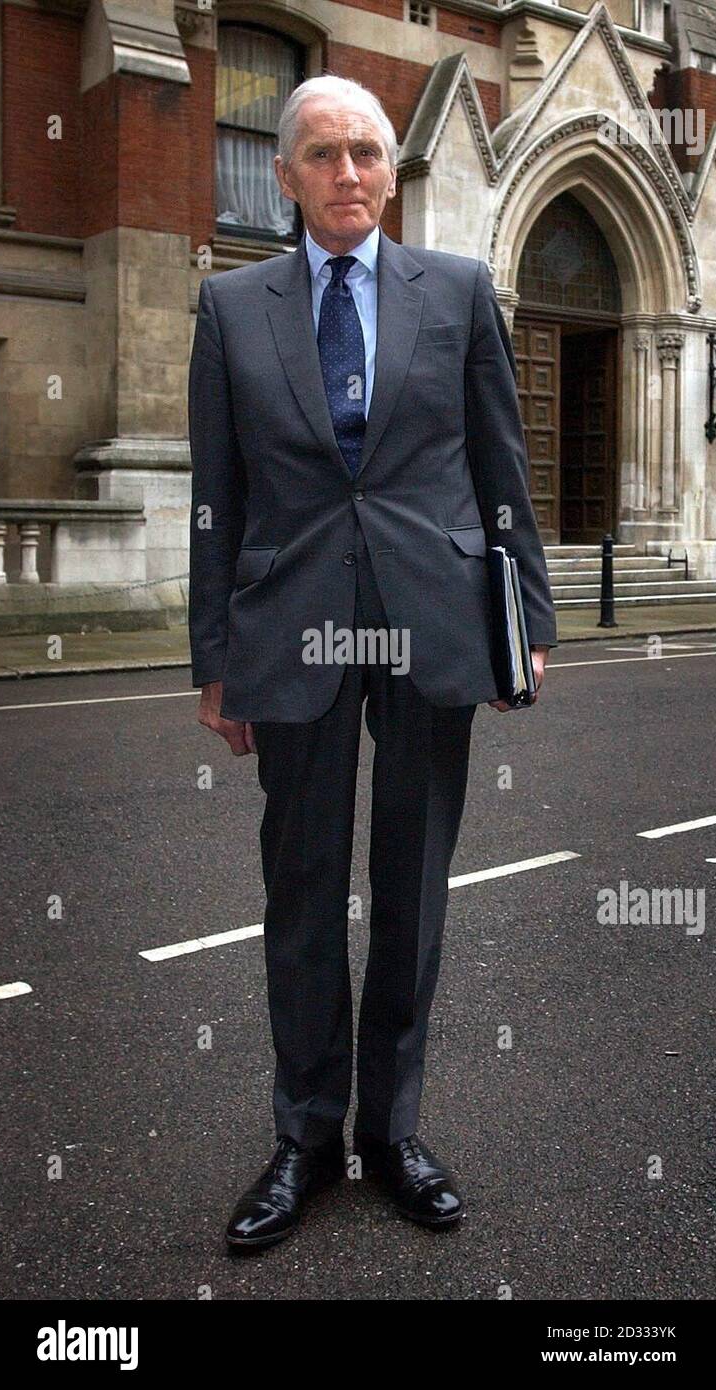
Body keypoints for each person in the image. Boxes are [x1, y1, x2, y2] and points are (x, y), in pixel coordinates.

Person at [187, 75, 557, 1252]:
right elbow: (218, 498)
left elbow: (501, 468)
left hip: (431, 620)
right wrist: (214, 656)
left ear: (390, 173)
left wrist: (526, 616)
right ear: (284, 174)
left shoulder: (452, 291)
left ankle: (390, 1133)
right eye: (321, 154)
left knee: (410, 891)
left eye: (365, 153)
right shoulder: (231, 307)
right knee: (299, 894)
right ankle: (304, 1137)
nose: (346, 173)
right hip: (288, 627)